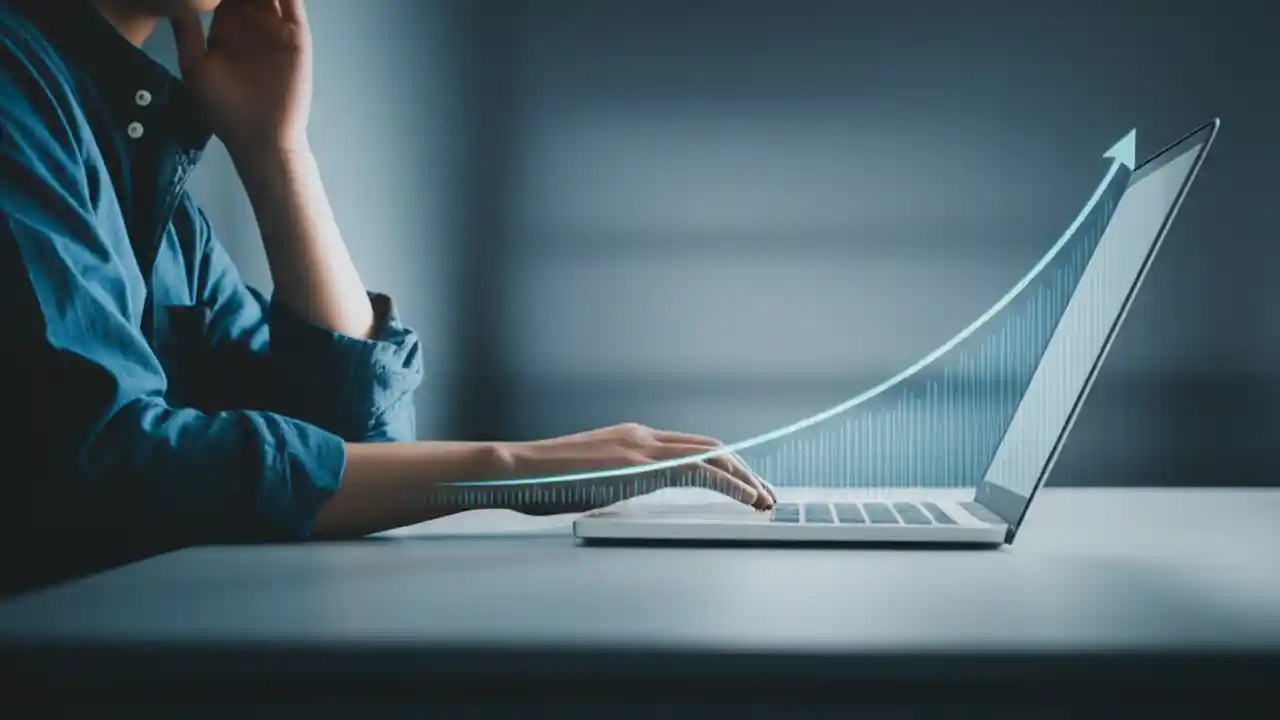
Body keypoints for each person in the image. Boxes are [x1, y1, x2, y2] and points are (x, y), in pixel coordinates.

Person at [0, 0, 774, 587]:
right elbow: (106, 464)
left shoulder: (135, 154)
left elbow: (356, 451)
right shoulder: (16, 88)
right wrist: (518, 468)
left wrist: (278, 153)